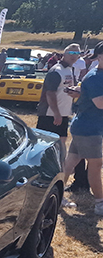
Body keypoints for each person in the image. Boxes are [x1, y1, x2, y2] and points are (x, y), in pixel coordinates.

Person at [62, 41, 103, 215]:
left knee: (70, 163)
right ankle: (100, 203)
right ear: (100, 57)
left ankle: (52, 192)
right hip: (89, 129)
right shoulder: (95, 77)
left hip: (85, 127)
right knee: (95, 165)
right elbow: (100, 104)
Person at [37, 43, 81, 178]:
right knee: (45, 145)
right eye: (71, 53)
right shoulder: (56, 70)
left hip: (63, 113)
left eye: (77, 54)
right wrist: (56, 113)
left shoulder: (70, 70)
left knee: (61, 143)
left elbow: (64, 89)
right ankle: (41, 172)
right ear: (64, 54)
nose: (74, 56)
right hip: (50, 114)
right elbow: (49, 93)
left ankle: (57, 172)